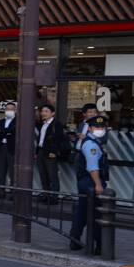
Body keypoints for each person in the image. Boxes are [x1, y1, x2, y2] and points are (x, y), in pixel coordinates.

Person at [69, 115, 110, 252]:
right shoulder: (91, 144)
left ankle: (75, 239)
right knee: (96, 213)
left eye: (102, 127)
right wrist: (98, 184)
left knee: (82, 211)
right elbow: (92, 166)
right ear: (90, 128)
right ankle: (98, 245)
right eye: (97, 127)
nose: (100, 129)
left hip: (86, 181)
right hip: (91, 181)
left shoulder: (93, 142)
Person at [36, 103, 66, 201]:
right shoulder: (43, 124)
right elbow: (40, 139)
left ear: (52, 113)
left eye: (46, 111)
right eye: (42, 111)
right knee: (43, 175)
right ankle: (46, 195)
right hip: (41, 151)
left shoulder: (56, 124)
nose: (43, 113)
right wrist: (37, 152)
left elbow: (58, 139)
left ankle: (54, 197)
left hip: (50, 153)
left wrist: (53, 151)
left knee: (52, 176)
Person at [0, 102, 17, 199]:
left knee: (12, 173)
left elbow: (15, 133)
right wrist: (8, 132)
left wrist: (3, 132)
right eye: (7, 109)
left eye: (11, 109)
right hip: (1, 148)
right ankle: (0, 192)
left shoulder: (18, 121)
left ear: (15, 110)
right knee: (1, 172)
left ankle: (13, 194)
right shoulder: (0, 122)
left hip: (12, 149)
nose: (9, 111)